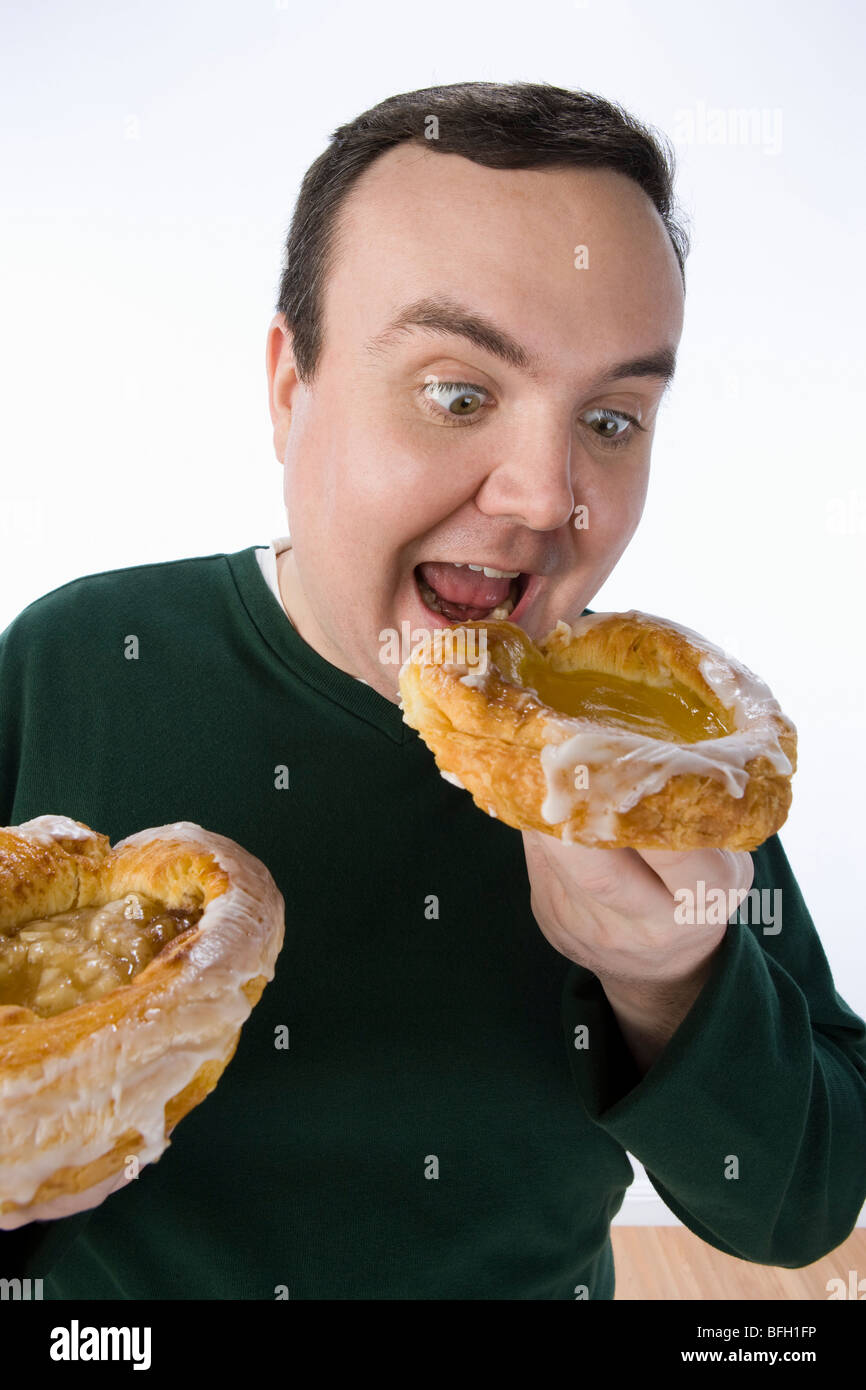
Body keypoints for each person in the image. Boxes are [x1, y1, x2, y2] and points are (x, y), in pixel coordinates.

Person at [1, 80, 864, 1301]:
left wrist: (667, 982)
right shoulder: (77, 657)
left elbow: (802, 1202)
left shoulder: (648, 757)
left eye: (611, 418)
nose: (543, 496)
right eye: (458, 394)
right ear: (290, 387)